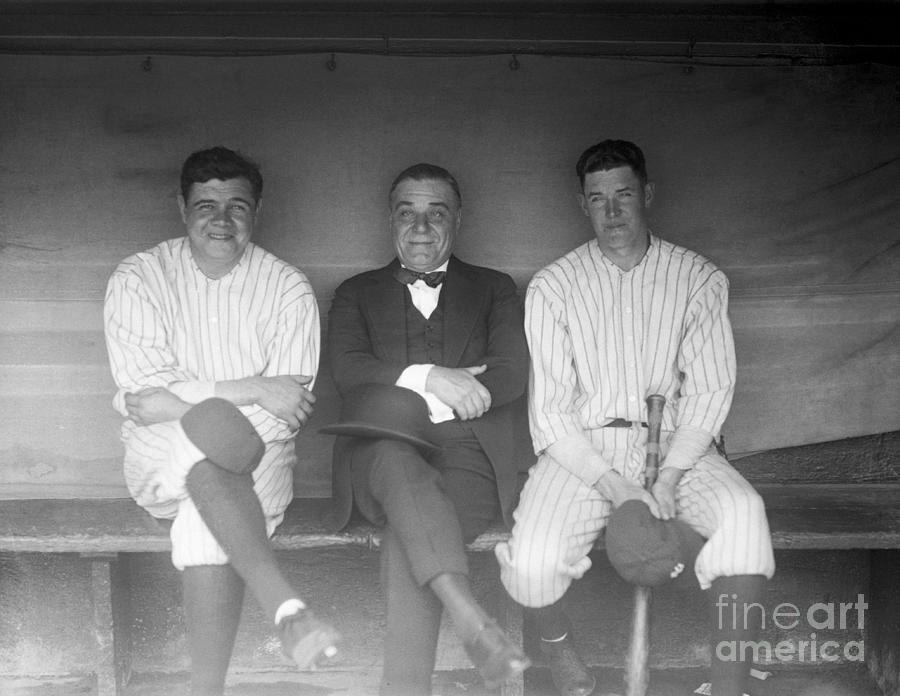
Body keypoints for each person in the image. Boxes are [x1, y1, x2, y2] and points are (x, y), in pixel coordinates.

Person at [495, 140, 776, 696]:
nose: (612, 211)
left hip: (679, 447)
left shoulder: (697, 277)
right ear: (582, 204)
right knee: (531, 563)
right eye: (598, 198)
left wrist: (668, 477)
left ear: (647, 193)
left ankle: (729, 684)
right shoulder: (553, 286)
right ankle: (558, 649)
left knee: (744, 515)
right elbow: (551, 412)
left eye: (623, 194)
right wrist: (618, 488)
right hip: (583, 451)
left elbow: (709, 392)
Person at [103, 146, 339, 695]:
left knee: (204, 512)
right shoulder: (139, 277)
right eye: (206, 205)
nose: (221, 220)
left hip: (260, 460)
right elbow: (142, 391)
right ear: (181, 207)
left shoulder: (287, 287)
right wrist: (251, 389)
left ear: (258, 210)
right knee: (210, 470)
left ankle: (210, 685)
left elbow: (287, 413)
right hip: (159, 461)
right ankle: (286, 608)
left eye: (237, 206)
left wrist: (180, 407)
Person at [326, 163, 532, 695]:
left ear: (458, 220)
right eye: (407, 214)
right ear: (390, 219)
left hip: (468, 451)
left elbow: (510, 372)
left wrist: (403, 384)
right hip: (381, 450)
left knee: (411, 533)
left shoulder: (494, 288)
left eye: (435, 214)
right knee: (398, 468)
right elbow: (349, 372)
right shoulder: (355, 292)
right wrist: (434, 378)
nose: (420, 228)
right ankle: (471, 620)